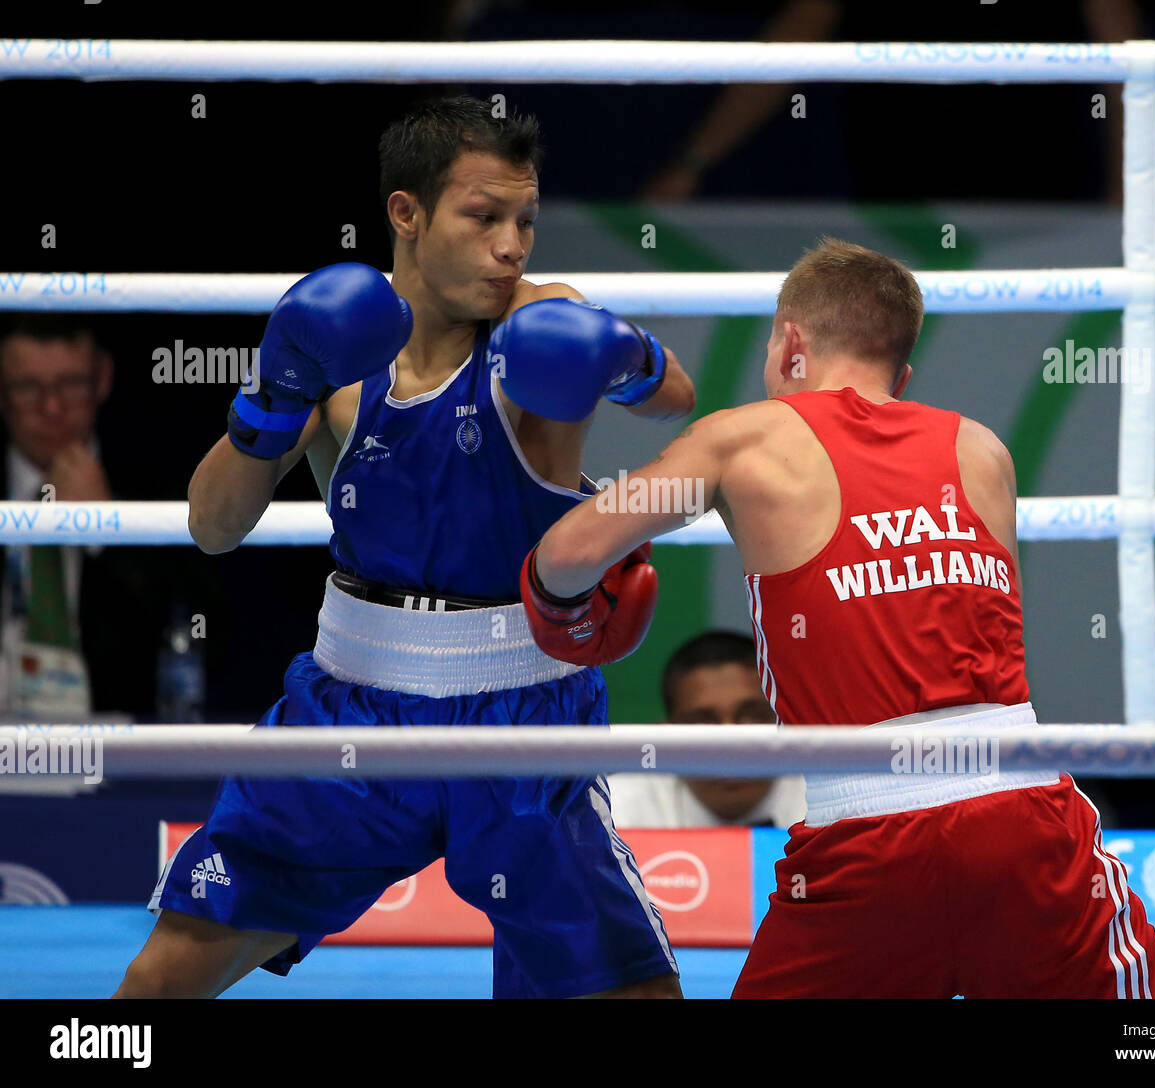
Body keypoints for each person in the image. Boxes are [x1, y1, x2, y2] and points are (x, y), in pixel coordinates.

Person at [114, 95, 694, 999]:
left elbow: (677, 399)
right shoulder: (333, 352)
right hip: (351, 713)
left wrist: (626, 358)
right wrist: (271, 400)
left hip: (520, 722)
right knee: (156, 986)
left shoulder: (541, 324)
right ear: (406, 214)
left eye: (526, 220)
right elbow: (212, 528)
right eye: (484, 216)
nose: (512, 246)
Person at [521, 237, 1155, 998]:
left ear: (791, 343)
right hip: (1026, 818)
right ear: (900, 375)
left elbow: (564, 554)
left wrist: (565, 608)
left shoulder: (742, 441)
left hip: (863, 841)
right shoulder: (982, 450)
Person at [0, 317, 169, 722]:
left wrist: (109, 531)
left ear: (102, 378)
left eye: (71, 384)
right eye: (27, 387)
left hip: (117, 751)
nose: (52, 408)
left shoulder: (157, 489)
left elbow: (203, 640)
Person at [608, 630, 804, 827]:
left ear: (784, 723)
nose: (730, 749)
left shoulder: (829, 803)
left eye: (752, 719)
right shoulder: (613, 811)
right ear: (665, 737)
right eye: (702, 724)